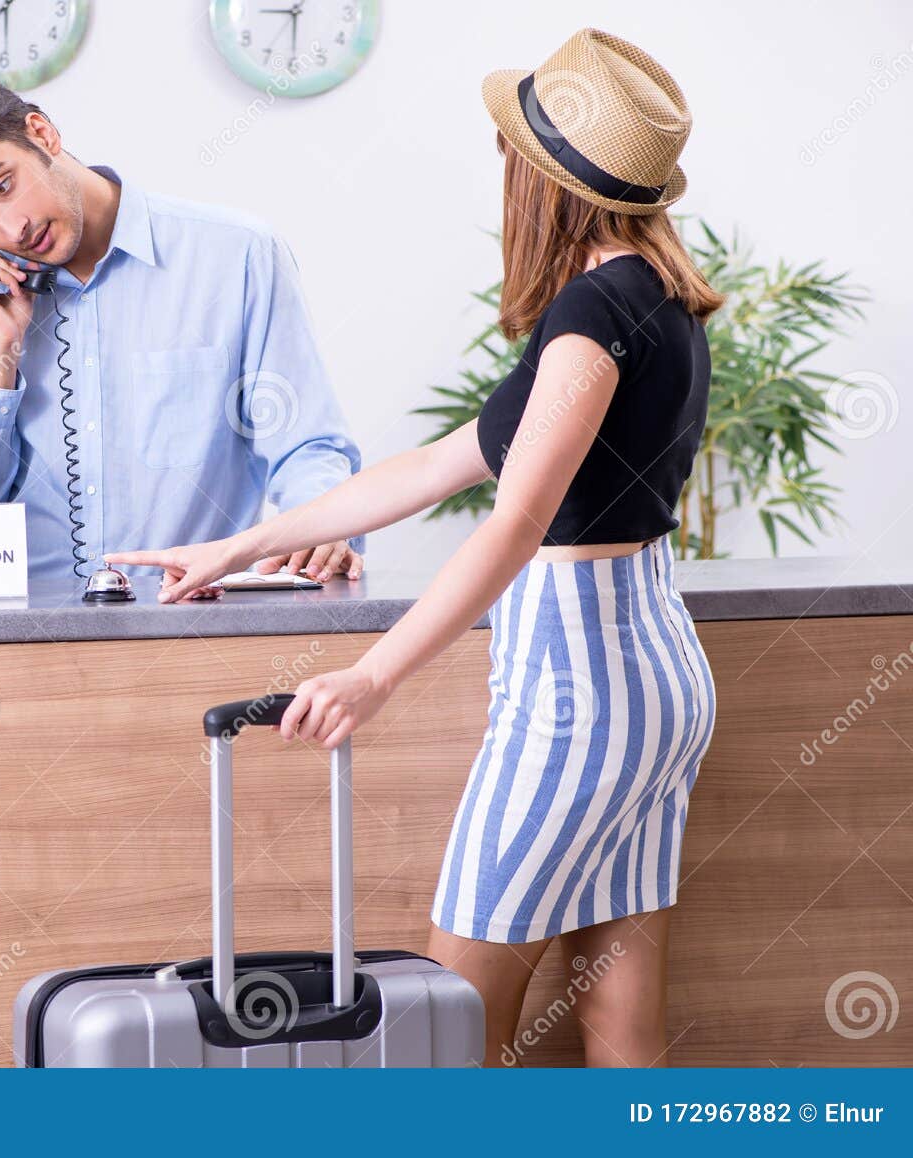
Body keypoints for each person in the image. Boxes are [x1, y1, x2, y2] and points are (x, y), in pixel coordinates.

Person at [107, 28, 722, 1067]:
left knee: (442, 1035)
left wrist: (373, 674)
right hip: (657, 680)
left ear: (539, 182)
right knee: (621, 1030)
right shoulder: (657, 300)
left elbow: (517, 522)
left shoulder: (587, 316)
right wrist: (240, 543)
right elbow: (438, 464)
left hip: (578, 696)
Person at [0, 80, 364, 588]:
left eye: (3, 187)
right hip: (23, 644)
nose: (11, 230)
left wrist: (321, 527)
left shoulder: (236, 256)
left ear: (41, 133)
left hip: (190, 624)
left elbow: (307, 449)